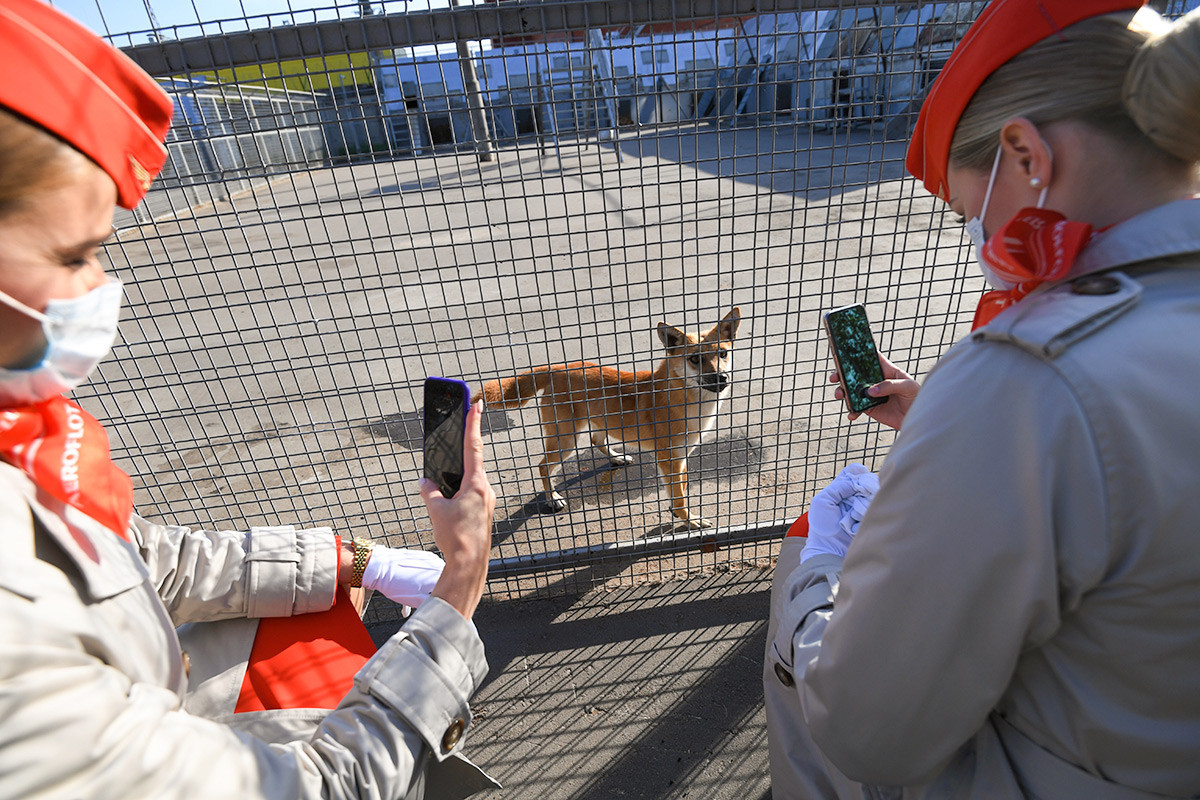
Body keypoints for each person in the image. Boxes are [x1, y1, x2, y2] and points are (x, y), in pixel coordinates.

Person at [0, 1, 497, 797]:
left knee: (328, 608)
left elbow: (142, 562)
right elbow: (324, 788)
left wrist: (357, 559)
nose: (100, 285)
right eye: (74, 252)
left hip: (146, 688)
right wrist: (457, 588)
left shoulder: (30, 445)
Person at [765, 0, 1200, 797]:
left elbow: (869, 734)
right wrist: (939, 416)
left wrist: (818, 579)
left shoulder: (1024, 380)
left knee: (807, 566)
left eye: (968, 212)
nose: (977, 247)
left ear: (1027, 156)